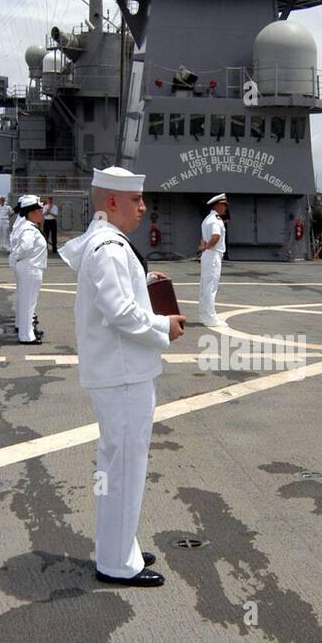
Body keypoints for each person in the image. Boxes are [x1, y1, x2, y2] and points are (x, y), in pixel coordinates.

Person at [58, 166, 185, 587]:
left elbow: (117, 294)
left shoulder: (107, 243)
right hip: (123, 373)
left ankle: (119, 546)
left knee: (120, 466)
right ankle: (116, 563)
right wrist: (163, 326)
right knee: (125, 468)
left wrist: (146, 281)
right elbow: (119, 312)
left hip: (120, 371)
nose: (143, 207)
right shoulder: (109, 247)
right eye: (136, 200)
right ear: (113, 202)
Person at [9, 194, 47, 344]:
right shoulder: (29, 230)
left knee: (28, 303)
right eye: (39, 211)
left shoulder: (29, 227)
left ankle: (27, 332)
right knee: (28, 303)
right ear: (31, 213)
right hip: (30, 268)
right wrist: (16, 257)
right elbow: (25, 247)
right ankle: (26, 336)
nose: (41, 214)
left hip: (30, 267)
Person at [197, 193, 228, 326]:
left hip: (208, 255)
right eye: (224, 205)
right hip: (213, 255)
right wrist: (208, 247)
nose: (225, 208)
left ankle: (204, 316)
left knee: (205, 287)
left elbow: (203, 239)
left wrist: (204, 247)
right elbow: (216, 236)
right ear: (218, 205)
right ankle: (211, 318)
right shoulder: (216, 220)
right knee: (211, 288)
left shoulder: (207, 219)